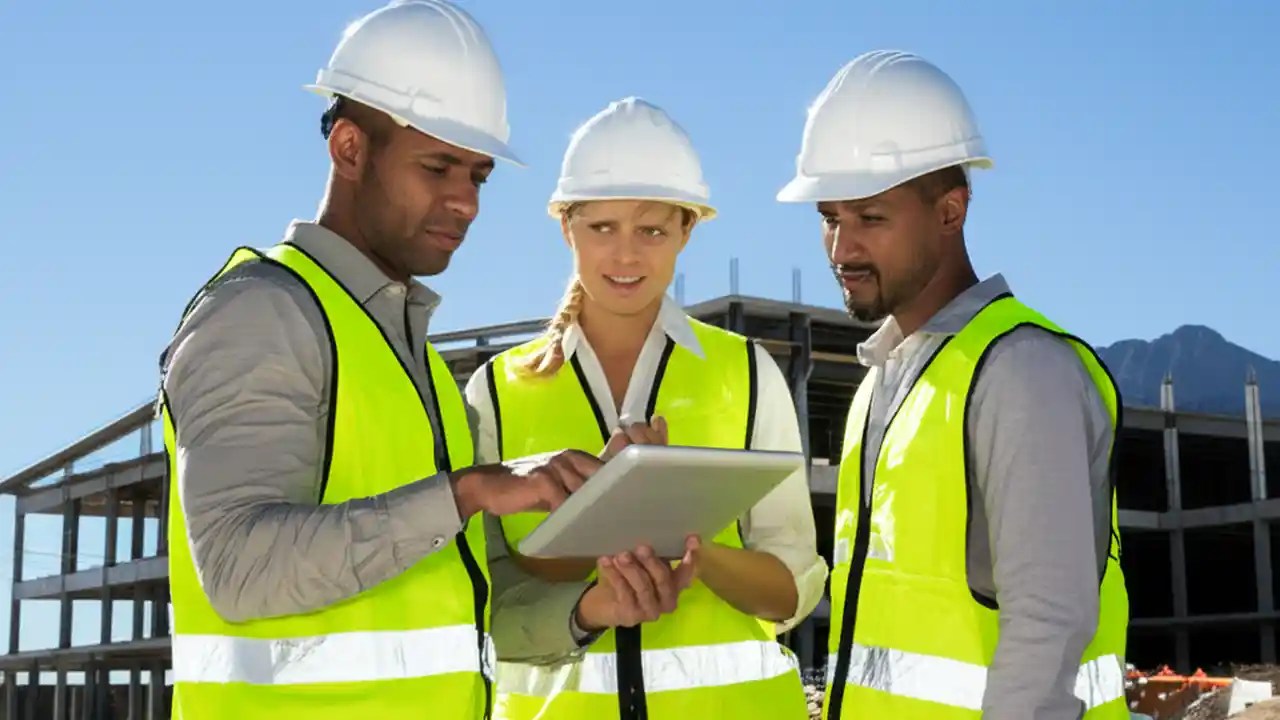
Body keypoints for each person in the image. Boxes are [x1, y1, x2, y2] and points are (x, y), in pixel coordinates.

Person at [158, 4, 678, 719]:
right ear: (348, 149)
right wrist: (464, 492)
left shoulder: (421, 368)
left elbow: (459, 615)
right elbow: (240, 569)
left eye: (479, 177)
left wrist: (593, 606)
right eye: (437, 168)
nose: (464, 202)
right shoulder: (263, 313)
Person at [775, 51, 1130, 720]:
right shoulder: (882, 384)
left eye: (870, 218)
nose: (841, 249)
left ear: (950, 211)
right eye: (829, 217)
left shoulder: (1022, 371)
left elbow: (1048, 626)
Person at [464, 96, 827, 720]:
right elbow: (489, 600)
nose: (626, 255)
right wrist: (606, 519)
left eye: (652, 229)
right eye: (601, 227)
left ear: (687, 229)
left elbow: (789, 592)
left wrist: (686, 545)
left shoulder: (747, 373)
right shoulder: (497, 390)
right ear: (565, 226)